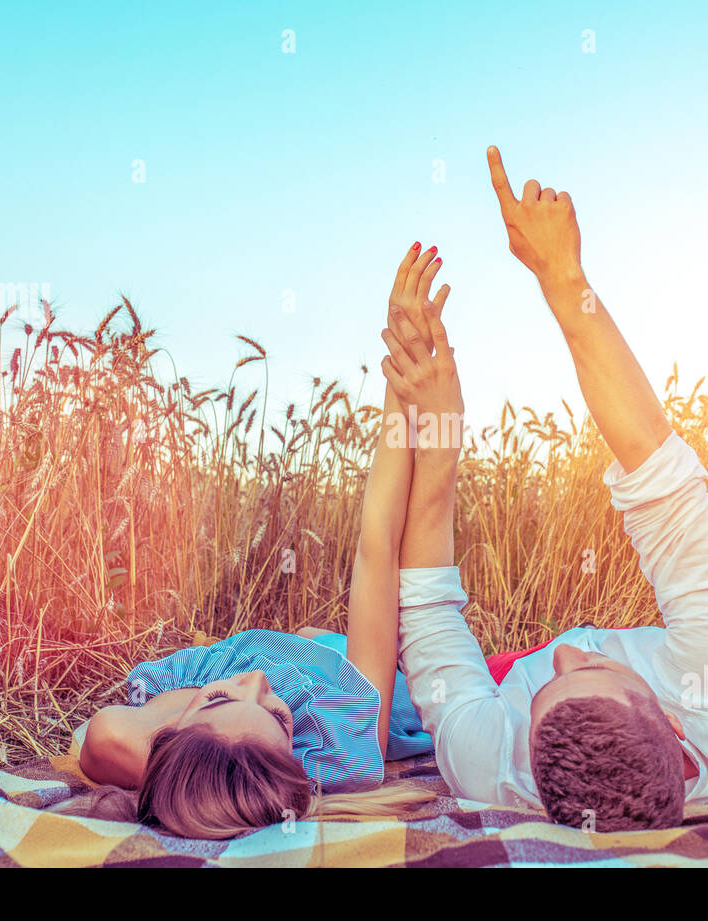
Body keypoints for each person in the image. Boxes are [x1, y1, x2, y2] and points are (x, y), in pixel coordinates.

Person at [382, 146, 708, 833]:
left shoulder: (491, 763)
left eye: (551, 686)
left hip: (454, 685)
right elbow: (657, 471)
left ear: (529, 763)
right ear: (675, 725)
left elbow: (428, 606)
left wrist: (436, 420)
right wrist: (561, 273)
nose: (564, 652)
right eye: (592, 667)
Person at [76, 243, 450, 839]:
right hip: (353, 658)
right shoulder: (343, 742)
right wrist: (401, 378)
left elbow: (106, 738)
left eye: (225, 703)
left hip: (275, 660)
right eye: (277, 714)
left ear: (171, 741)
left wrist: (186, 749)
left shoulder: (154, 738)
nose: (257, 683)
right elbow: (377, 544)